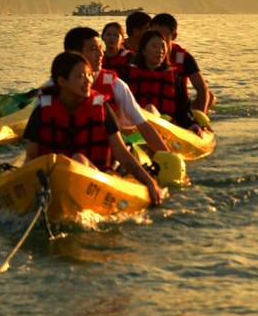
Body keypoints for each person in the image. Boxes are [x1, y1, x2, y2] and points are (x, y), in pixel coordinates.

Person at [24, 52, 163, 206]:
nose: (88, 81)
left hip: (97, 179)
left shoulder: (101, 108)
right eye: (81, 76)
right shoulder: (43, 110)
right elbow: (31, 157)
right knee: (68, 163)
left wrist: (150, 182)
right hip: (52, 179)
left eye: (89, 75)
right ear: (62, 81)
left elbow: (122, 154)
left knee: (78, 160)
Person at [58, 26, 169, 153]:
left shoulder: (116, 85)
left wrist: (167, 156)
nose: (101, 54)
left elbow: (142, 125)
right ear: (74, 54)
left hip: (119, 143)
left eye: (101, 48)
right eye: (94, 49)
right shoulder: (52, 88)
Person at [123, 29, 197, 131]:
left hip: (166, 126)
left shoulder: (175, 77)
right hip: (133, 124)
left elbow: (182, 109)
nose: (160, 50)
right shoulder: (127, 74)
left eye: (163, 46)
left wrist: (191, 124)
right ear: (144, 51)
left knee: (150, 109)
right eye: (154, 46)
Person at [149, 12, 215, 118]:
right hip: (151, 110)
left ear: (174, 36)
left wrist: (201, 118)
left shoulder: (184, 58)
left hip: (179, 110)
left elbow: (201, 88)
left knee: (209, 97)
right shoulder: (141, 56)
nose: (158, 40)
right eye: (154, 35)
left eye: (163, 35)